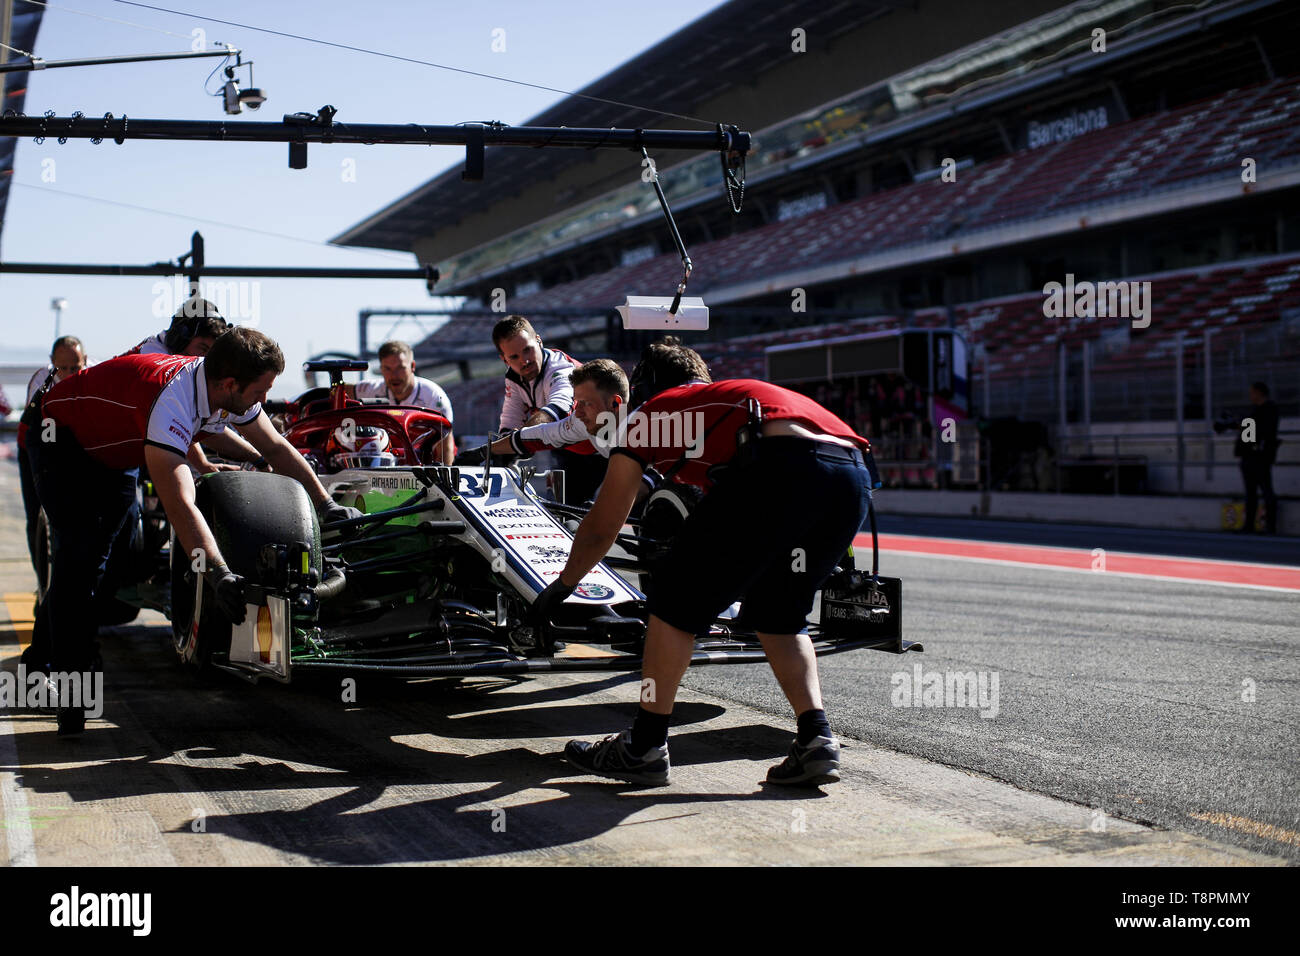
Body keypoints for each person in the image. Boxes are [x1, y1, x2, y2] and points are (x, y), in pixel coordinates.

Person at [534, 337, 873, 788]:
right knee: (778, 612)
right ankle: (816, 738)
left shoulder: (655, 411)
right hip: (851, 474)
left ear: (644, 388)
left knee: (671, 603)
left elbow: (602, 525)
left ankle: (644, 747)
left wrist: (561, 588)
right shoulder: (726, 397)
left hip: (778, 467)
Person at [24, 327, 360, 736]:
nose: (264, 400)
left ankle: (36, 660)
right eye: (261, 391)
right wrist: (219, 573)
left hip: (116, 446)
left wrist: (325, 504)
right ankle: (70, 694)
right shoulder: (172, 402)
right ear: (230, 384)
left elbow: (275, 448)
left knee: (107, 569)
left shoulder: (221, 386)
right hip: (59, 439)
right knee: (80, 562)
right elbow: (180, 502)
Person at [18, 336, 88, 574]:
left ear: (85, 361)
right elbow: (42, 431)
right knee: (36, 509)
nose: (69, 374)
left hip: (70, 441)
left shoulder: (94, 374)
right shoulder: (42, 380)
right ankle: (42, 577)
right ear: (52, 363)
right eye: (63, 368)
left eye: (75, 367)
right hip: (36, 443)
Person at [342, 340, 455, 463]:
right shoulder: (369, 389)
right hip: (385, 462)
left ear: (412, 366)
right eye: (387, 369)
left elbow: (445, 449)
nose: (394, 375)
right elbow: (338, 392)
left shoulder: (434, 397)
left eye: (400, 368)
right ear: (381, 369)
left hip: (426, 463)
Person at [1237, 381, 1279, 534]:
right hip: (1250, 455)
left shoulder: (1269, 410)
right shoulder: (1254, 411)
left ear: (1259, 392)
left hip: (1261, 456)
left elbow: (1263, 433)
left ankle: (1270, 526)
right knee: (1250, 493)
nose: (1251, 396)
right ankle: (1249, 524)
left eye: (1252, 392)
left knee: (1266, 490)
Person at [126, 295, 229, 357]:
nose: (206, 358)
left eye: (211, 352)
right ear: (180, 339)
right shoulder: (152, 357)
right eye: (203, 349)